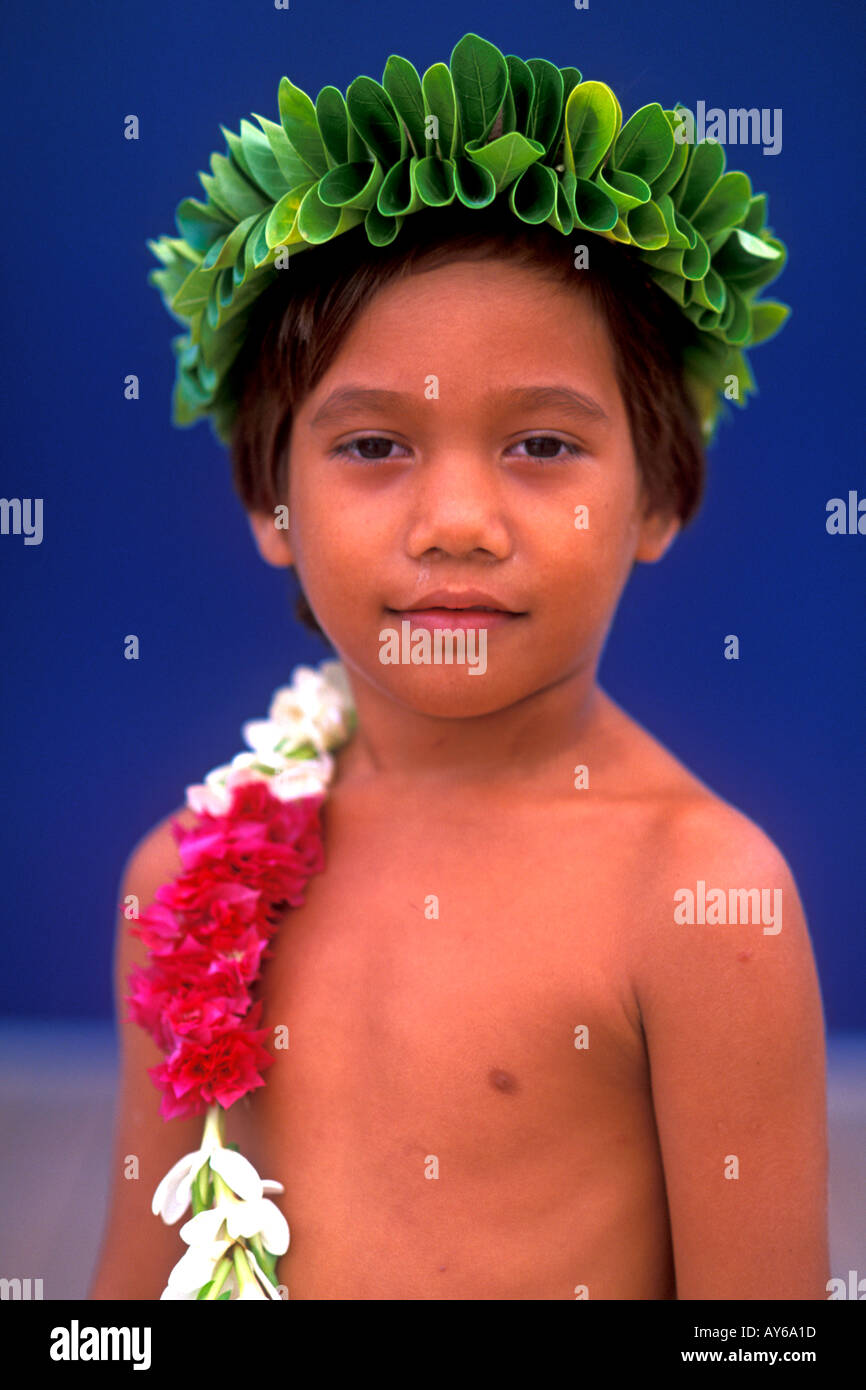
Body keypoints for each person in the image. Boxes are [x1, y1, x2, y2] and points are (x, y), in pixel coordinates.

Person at [88, 33, 828, 1300]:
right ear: (271, 501)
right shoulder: (185, 882)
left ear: (658, 499)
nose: (456, 521)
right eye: (373, 444)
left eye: (540, 442)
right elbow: (130, 1299)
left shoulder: (705, 901)